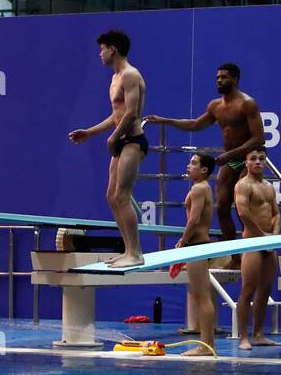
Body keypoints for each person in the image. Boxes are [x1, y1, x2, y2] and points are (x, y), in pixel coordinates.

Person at [144, 63, 263, 267]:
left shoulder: (247, 104)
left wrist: (232, 155)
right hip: (229, 158)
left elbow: (259, 138)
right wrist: (164, 120)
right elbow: (194, 125)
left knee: (243, 207)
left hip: (247, 157)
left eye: (224, 77)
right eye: (217, 77)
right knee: (222, 206)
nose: (219, 80)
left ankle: (251, 252)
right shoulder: (215, 106)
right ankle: (235, 256)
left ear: (235, 79)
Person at [68, 29, 148, 268]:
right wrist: (89, 132)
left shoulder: (130, 75)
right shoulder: (115, 78)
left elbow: (132, 114)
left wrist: (114, 138)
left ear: (112, 48)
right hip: (121, 141)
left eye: (102, 49)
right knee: (111, 196)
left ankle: (136, 253)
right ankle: (127, 250)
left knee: (121, 196)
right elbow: (117, 115)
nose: (100, 54)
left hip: (133, 142)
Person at [234, 149, 280, 350]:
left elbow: (276, 213)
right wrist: (262, 237)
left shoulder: (269, 186)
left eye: (261, 159)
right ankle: (243, 336)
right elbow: (243, 213)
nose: (258, 162)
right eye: (253, 159)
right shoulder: (243, 185)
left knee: (265, 290)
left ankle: (259, 334)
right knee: (248, 289)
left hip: (269, 242)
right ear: (246, 163)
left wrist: (275, 235)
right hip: (253, 242)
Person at [176, 153, 217, 357]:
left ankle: (206, 345)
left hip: (197, 244)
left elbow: (194, 219)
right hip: (197, 245)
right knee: (201, 296)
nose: (188, 165)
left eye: (193, 163)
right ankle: (206, 344)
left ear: (204, 170)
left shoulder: (200, 188)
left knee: (202, 297)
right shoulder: (202, 187)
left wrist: (182, 241)